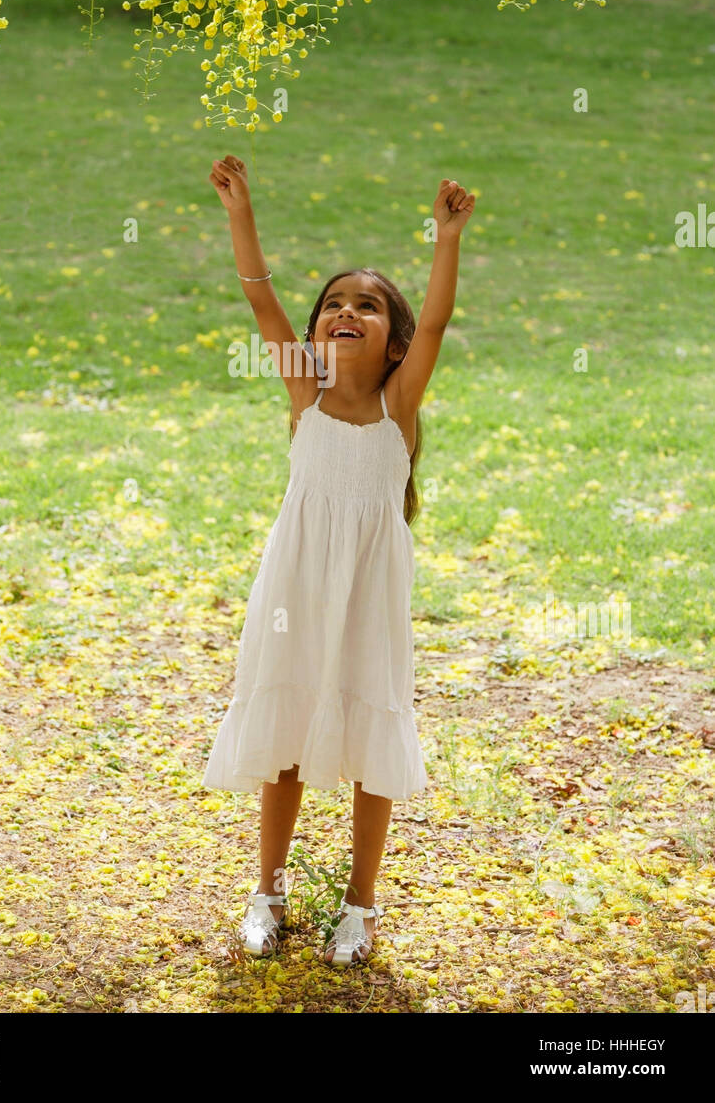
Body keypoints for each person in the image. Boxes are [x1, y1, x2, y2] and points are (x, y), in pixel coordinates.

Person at [202, 153, 476, 965]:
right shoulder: (305, 394)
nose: (343, 313)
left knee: (369, 729)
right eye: (333, 305)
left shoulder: (399, 406)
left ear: (393, 344)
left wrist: (447, 239)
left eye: (366, 306)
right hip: (294, 587)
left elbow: (434, 322)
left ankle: (359, 907)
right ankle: (268, 892)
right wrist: (239, 210)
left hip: (368, 592)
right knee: (285, 729)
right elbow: (261, 298)